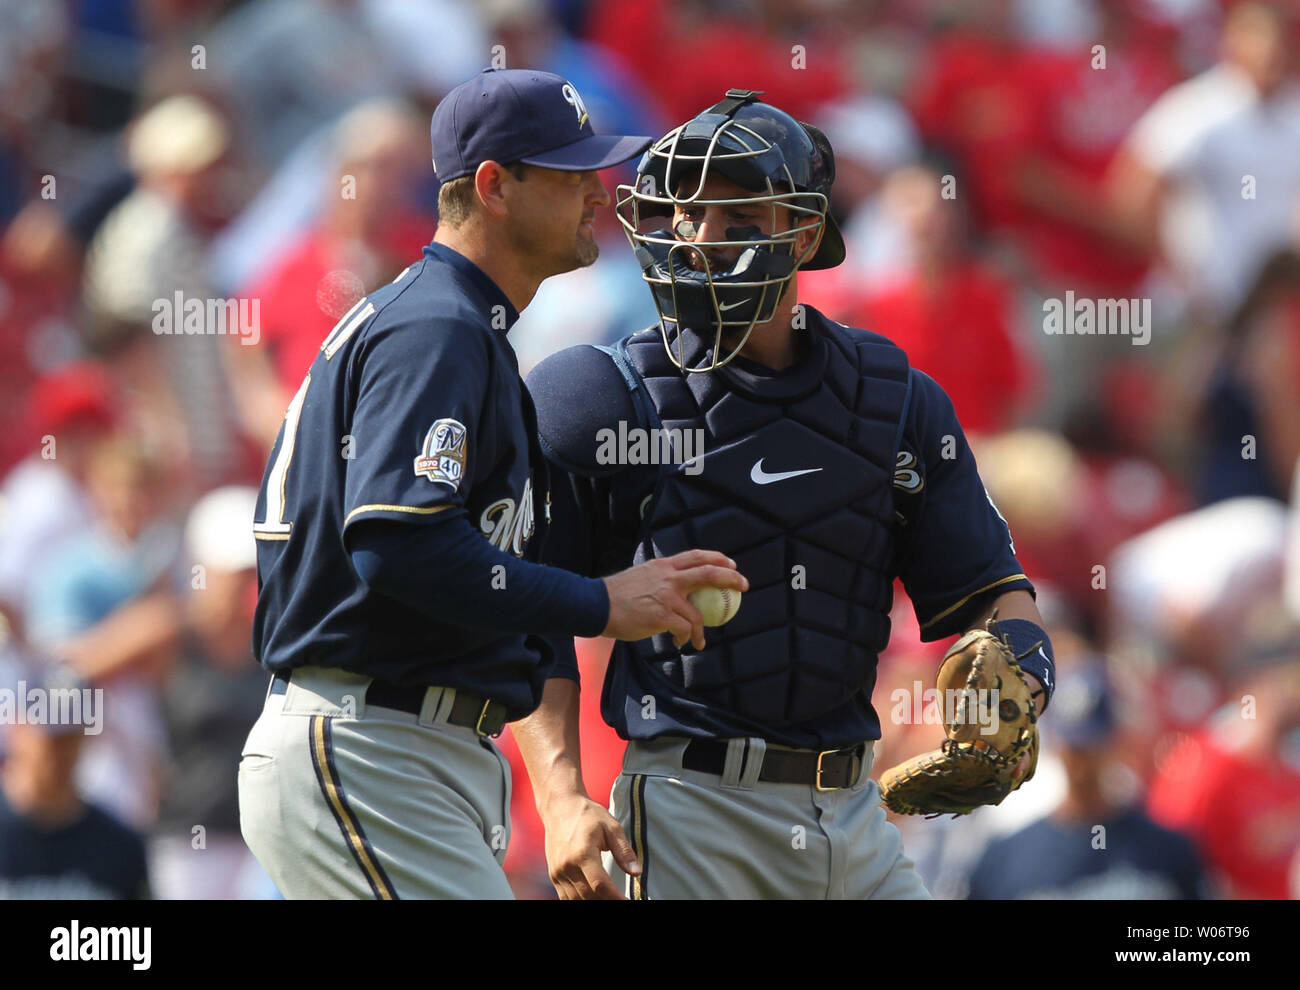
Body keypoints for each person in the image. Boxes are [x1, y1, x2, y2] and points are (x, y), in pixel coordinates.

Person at [518, 90, 1056, 899]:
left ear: (805, 233)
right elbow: (533, 620)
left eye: (738, 218)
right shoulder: (599, 395)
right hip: (691, 807)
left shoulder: (892, 400)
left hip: (855, 812)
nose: (701, 239)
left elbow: (995, 596)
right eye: (686, 214)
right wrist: (560, 798)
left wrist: (1019, 680)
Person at [237, 68, 745, 900]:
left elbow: (498, 590)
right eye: (572, 173)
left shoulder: (466, 331)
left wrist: (562, 791)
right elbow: (398, 545)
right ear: (494, 185)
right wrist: (603, 601)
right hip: (371, 742)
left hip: (411, 749)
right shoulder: (438, 331)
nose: (598, 192)